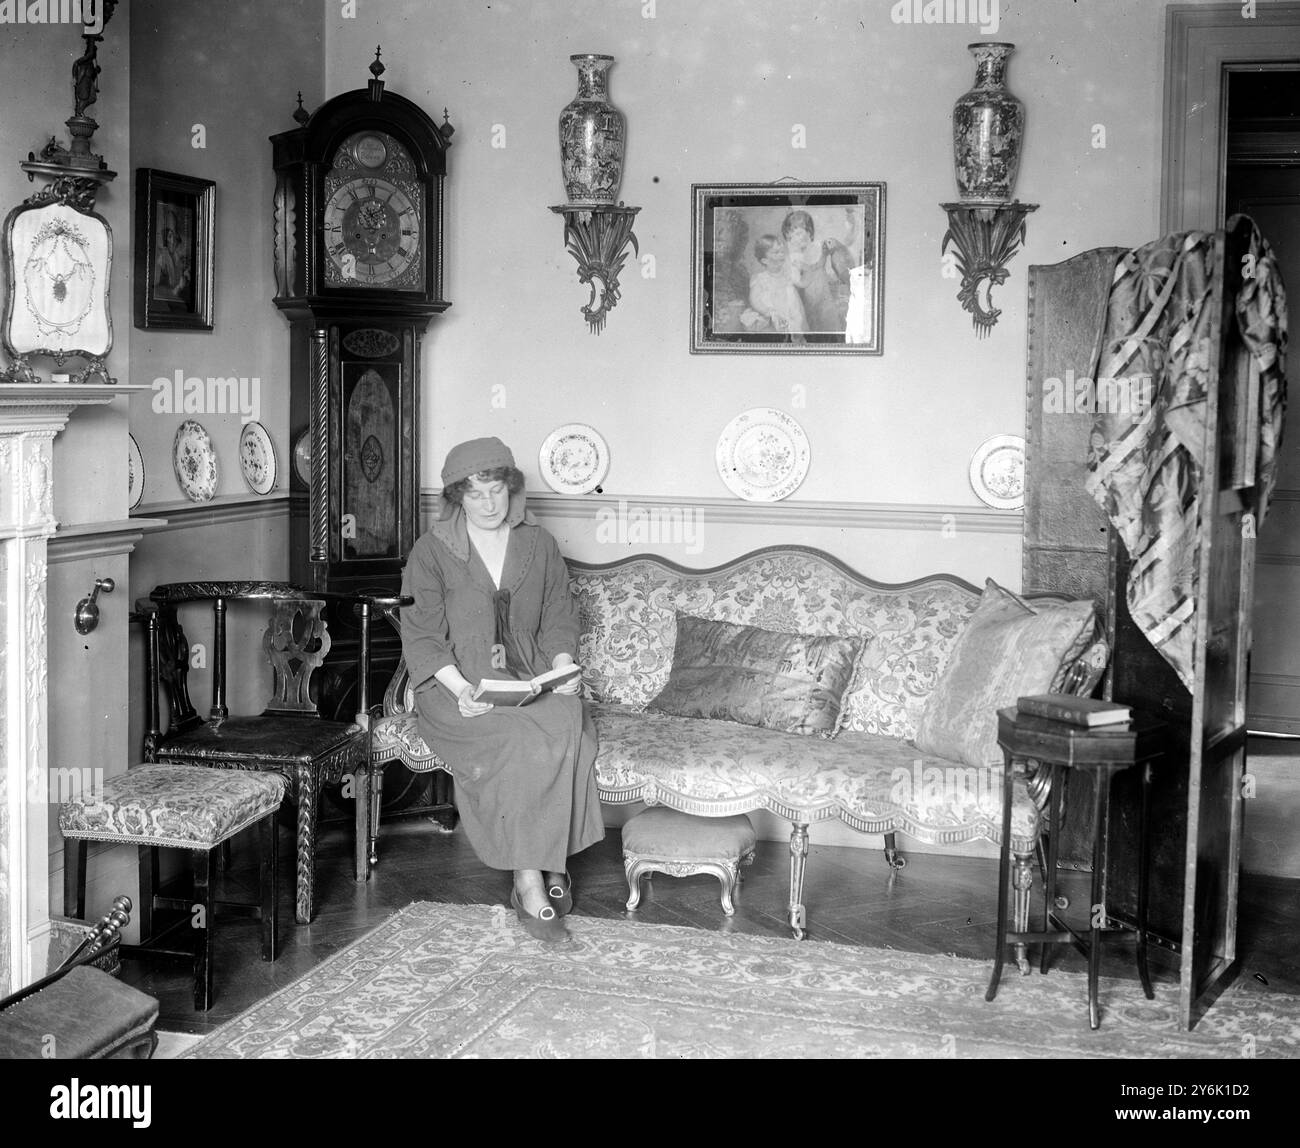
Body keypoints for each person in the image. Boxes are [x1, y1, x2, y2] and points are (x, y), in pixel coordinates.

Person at [400, 437, 604, 942]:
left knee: (567, 721)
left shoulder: (538, 543)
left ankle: (547, 857)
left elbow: (559, 612)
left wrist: (560, 666)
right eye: (475, 495)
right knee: (516, 738)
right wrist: (461, 688)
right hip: (454, 687)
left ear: (510, 489)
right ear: (456, 498)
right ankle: (529, 879)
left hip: (528, 674)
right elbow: (422, 635)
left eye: (496, 491)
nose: (489, 505)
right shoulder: (431, 552)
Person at [780, 209, 855, 335]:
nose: (794, 240)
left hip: (823, 296)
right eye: (790, 237)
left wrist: (804, 266)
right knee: (813, 324)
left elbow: (819, 264)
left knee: (828, 322)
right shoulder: (796, 255)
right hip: (808, 298)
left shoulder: (817, 247)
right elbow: (798, 281)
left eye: (798, 233)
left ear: (809, 232)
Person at [746, 234, 807, 334]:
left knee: (796, 327)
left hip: (790, 315)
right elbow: (754, 300)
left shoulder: (787, 276)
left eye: (782, 251)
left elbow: (795, 299)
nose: (781, 255)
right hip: (770, 317)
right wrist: (771, 313)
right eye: (776, 252)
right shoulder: (760, 279)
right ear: (764, 260)